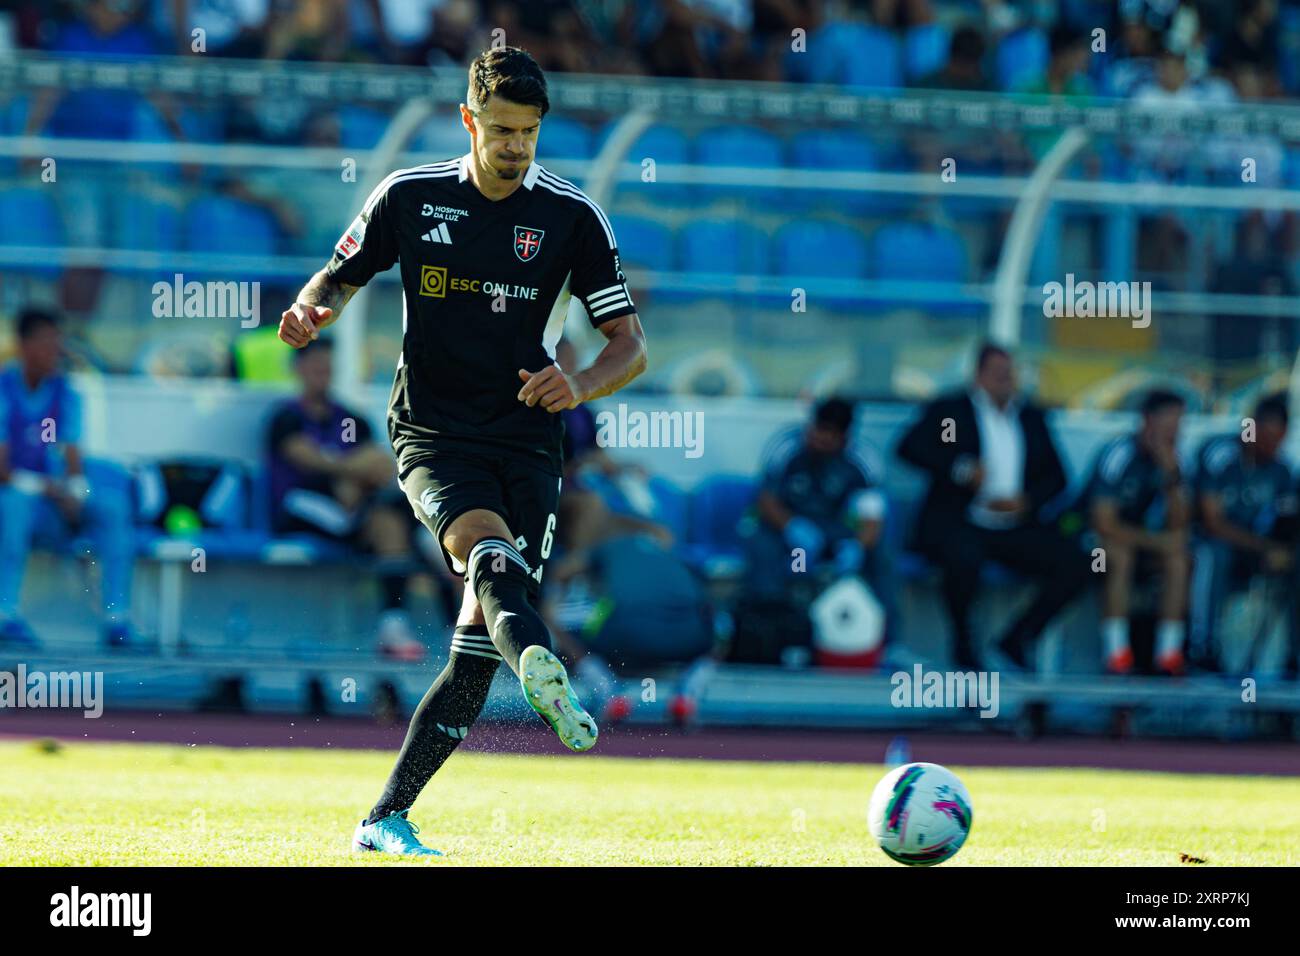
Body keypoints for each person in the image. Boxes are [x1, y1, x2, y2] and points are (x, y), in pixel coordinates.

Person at [278, 47, 647, 856]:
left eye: (529, 132)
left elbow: (630, 344)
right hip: (433, 433)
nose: (516, 146)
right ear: (468, 121)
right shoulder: (409, 196)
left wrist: (579, 384)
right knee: (485, 551)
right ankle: (546, 663)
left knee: (476, 654)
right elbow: (337, 276)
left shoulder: (572, 217)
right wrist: (309, 310)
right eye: (502, 130)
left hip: (528, 439)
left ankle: (384, 818)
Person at [896, 343, 1090, 670]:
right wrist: (960, 470)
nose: (1005, 380)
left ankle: (1018, 639)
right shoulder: (952, 411)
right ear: (978, 375)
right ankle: (965, 649)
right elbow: (910, 448)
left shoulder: (1029, 417)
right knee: (962, 559)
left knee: (1078, 563)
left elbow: (1057, 477)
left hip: (1014, 525)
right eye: (997, 373)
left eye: (1009, 373)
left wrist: (1028, 501)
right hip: (961, 521)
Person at [266, 337, 437, 661]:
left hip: (352, 506)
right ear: (298, 368)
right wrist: (349, 473)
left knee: (392, 522)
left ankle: (396, 627)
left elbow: (381, 464)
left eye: (327, 365)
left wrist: (350, 480)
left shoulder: (350, 418)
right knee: (397, 526)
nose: (322, 371)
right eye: (315, 365)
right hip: (300, 507)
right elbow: (305, 458)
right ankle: (430, 561)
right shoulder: (285, 417)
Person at [0, 308, 135, 650]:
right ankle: (5, 614)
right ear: (24, 345)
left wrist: (75, 490)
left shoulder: (64, 391)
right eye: (46, 342)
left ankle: (116, 619)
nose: (55, 350)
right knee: (13, 506)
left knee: (112, 506)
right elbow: (2, 471)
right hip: (17, 497)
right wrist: (46, 487)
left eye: (57, 342)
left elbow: (72, 453)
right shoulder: (4, 388)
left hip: (49, 502)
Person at [742, 396, 898, 648]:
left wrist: (857, 546)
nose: (818, 440)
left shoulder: (864, 460)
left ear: (844, 437)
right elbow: (765, 500)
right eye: (816, 431)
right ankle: (770, 637)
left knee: (881, 556)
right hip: (787, 527)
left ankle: (888, 643)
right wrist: (792, 527)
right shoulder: (785, 447)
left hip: (835, 530)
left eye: (828, 437)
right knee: (762, 547)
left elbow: (873, 518)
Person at [1085, 389, 1191, 676]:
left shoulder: (1174, 461)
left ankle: (1168, 655)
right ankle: (1117, 656)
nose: (1175, 431)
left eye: (1179, 424)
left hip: (1143, 543)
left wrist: (1171, 478)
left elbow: (1179, 525)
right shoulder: (1118, 454)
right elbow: (1103, 523)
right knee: (1119, 556)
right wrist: (1157, 542)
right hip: (1091, 545)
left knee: (1178, 561)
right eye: (1169, 422)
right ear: (1147, 420)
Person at [1190, 393, 1297, 673]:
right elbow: (1212, 523)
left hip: (1254, 546)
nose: (1273, 446)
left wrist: (1281, 551)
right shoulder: (1220, 455)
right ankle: (1202, 646)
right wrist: (1264, 547)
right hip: (1207, 541)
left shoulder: (1281, 469)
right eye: (1268, 437)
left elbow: (1285, 521)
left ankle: (1292, 655)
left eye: (1279, 439)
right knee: (1214, 555)